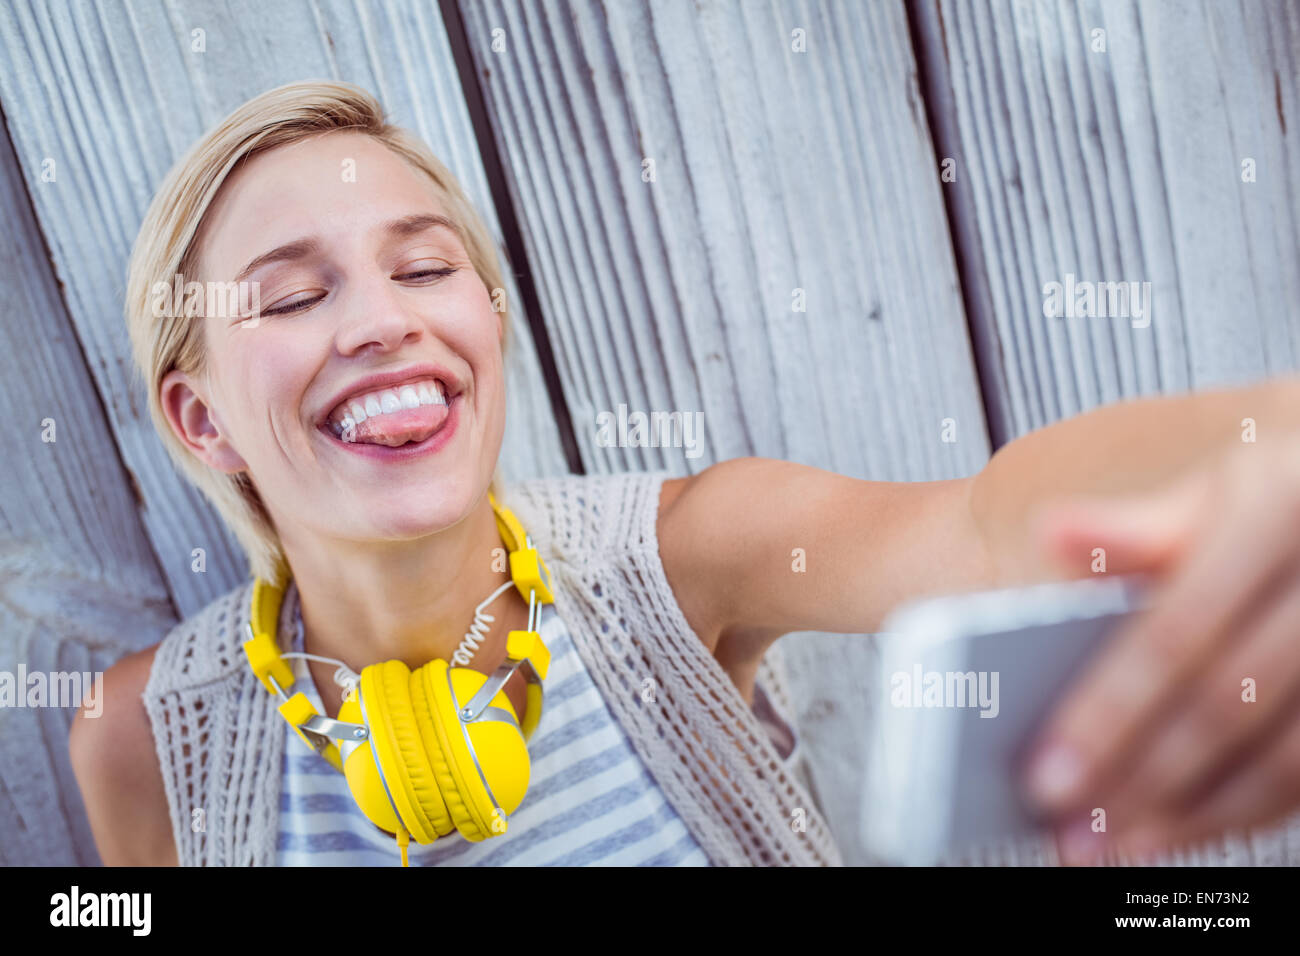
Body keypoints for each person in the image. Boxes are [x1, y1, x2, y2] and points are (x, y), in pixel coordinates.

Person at [69, 80, 1300, 867]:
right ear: (201, 419)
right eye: (293, 293)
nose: (386, 319)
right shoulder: (140, 734)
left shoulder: (681, 558)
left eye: (427, 267)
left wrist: (1265, 447)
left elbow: (994, 519)